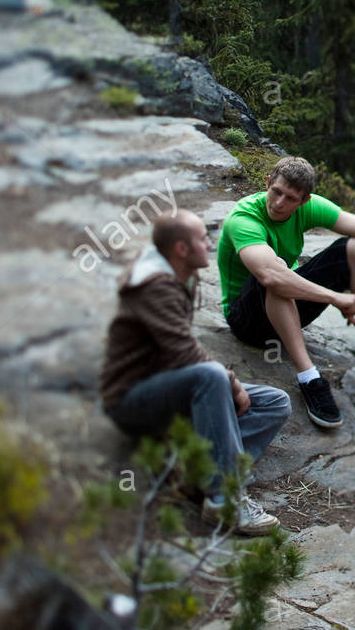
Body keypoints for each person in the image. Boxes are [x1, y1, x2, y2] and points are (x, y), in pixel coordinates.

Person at [100, 210, 289, 535]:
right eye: (202, 238)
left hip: (171, 385)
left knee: (276, 402)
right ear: (181, 250)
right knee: (212, 376)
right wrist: (232, 385)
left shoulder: (180, 271)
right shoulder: (153, 286)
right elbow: (184, 354)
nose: (209, 242)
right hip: (131, 399)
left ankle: (196, 471)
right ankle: (223, 500)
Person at [216, 156, 355, 429]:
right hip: (247, 321)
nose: (280, 203)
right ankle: (309, 378)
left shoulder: (310, 207)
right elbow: (271, 276)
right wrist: (337, 298)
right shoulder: (243, 217)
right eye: (276, 192)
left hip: (288, 311)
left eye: (291, 198)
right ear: (267, 182)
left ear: (304, 201)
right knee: (276, 273)